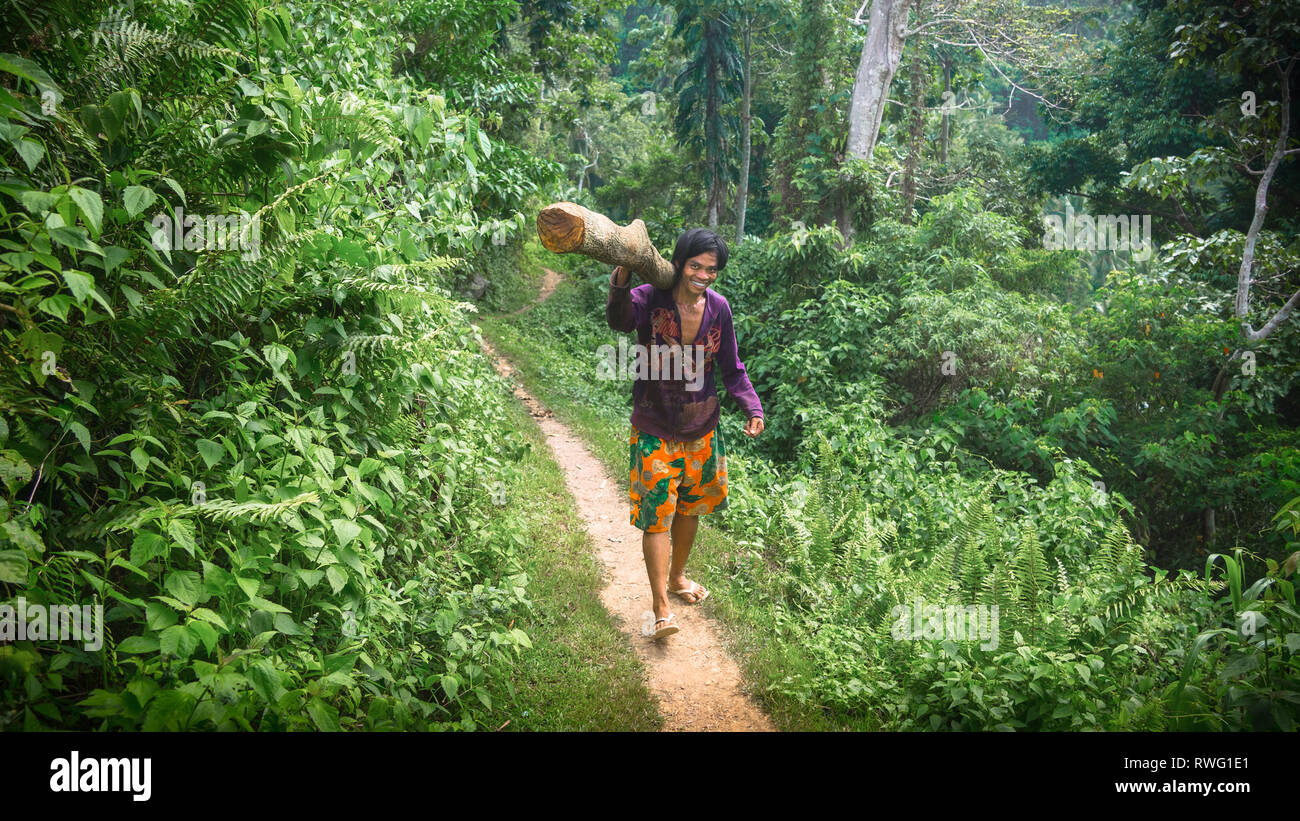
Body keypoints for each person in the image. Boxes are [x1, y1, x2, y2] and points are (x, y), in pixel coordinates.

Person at [606, 228, 765, 641]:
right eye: (696, 265)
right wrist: (622, 276)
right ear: (679, 263)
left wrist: (751, 406)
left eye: (712, 269)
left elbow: (731, 366)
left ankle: (677, 578)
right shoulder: (649, 297)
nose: (704, 275)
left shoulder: (719, 309)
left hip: (702, 430)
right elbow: (618, 321)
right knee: (657, 515)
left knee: (690, 509)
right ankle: (660, 606)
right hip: (654, 426)